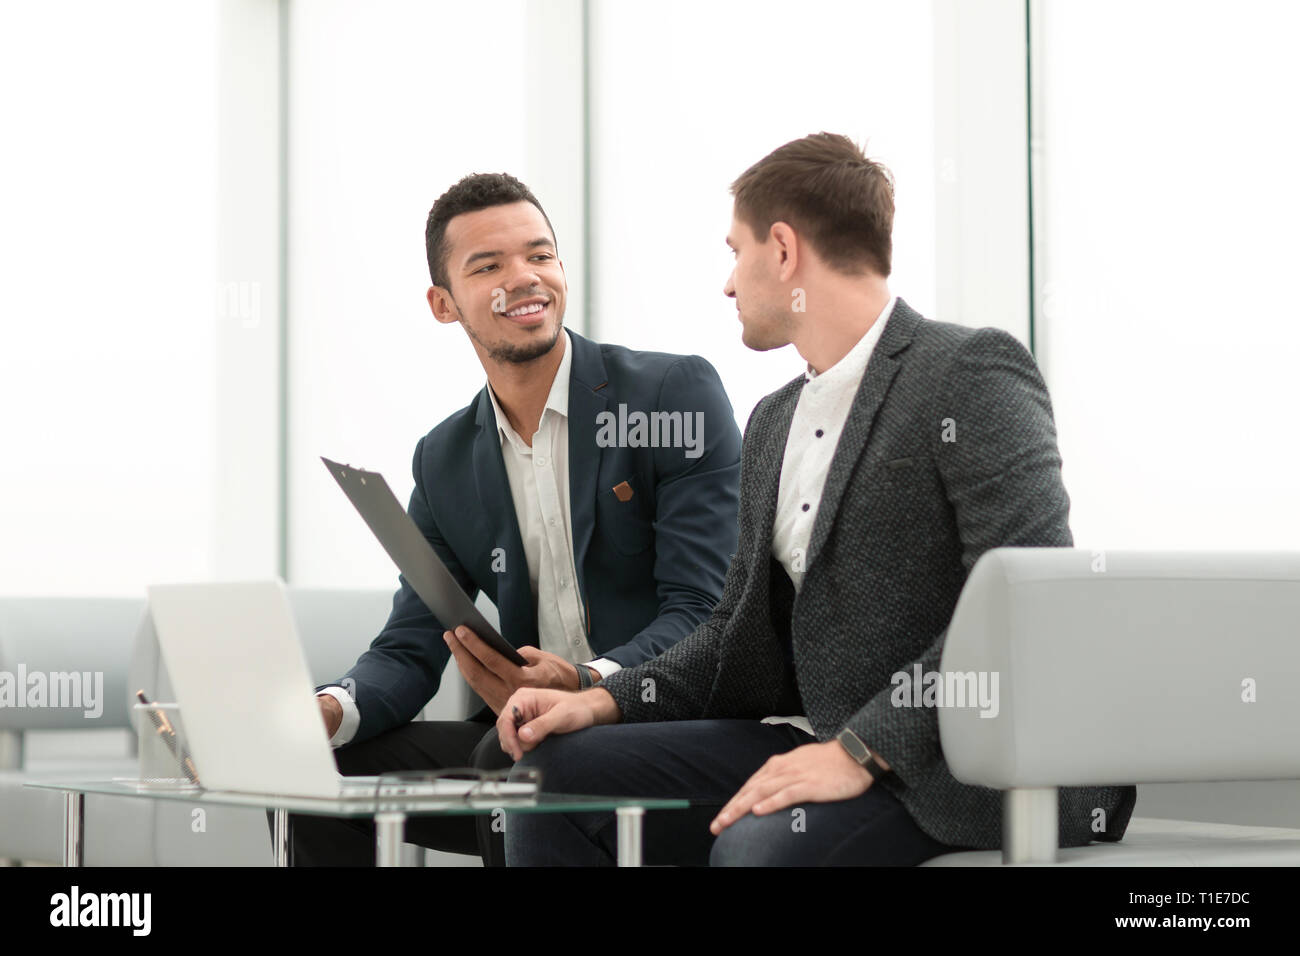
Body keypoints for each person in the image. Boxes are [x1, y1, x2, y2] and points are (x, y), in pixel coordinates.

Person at [497, 133, 1137, 866]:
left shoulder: (968, 372)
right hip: (818, 736)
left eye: (734, 251)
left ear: (782, 249)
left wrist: (862, 750)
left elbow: (1029, 607)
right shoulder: (773, 419)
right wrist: (603, 698)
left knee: (762, 846)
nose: (729, 284)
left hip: (972, 762)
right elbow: (733, 634)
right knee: (550, 778)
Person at [283, 172, 742, 866]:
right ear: (444, 304)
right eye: (489, 265)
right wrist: (325, 712)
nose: (524, 278)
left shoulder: (669, 396)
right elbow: (411, 647)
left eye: (540, 254)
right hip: (524, 737)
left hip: (663, 727)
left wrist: (589, 684)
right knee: (310, 774)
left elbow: (703, 613)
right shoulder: (443, 460)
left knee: (517, 758)